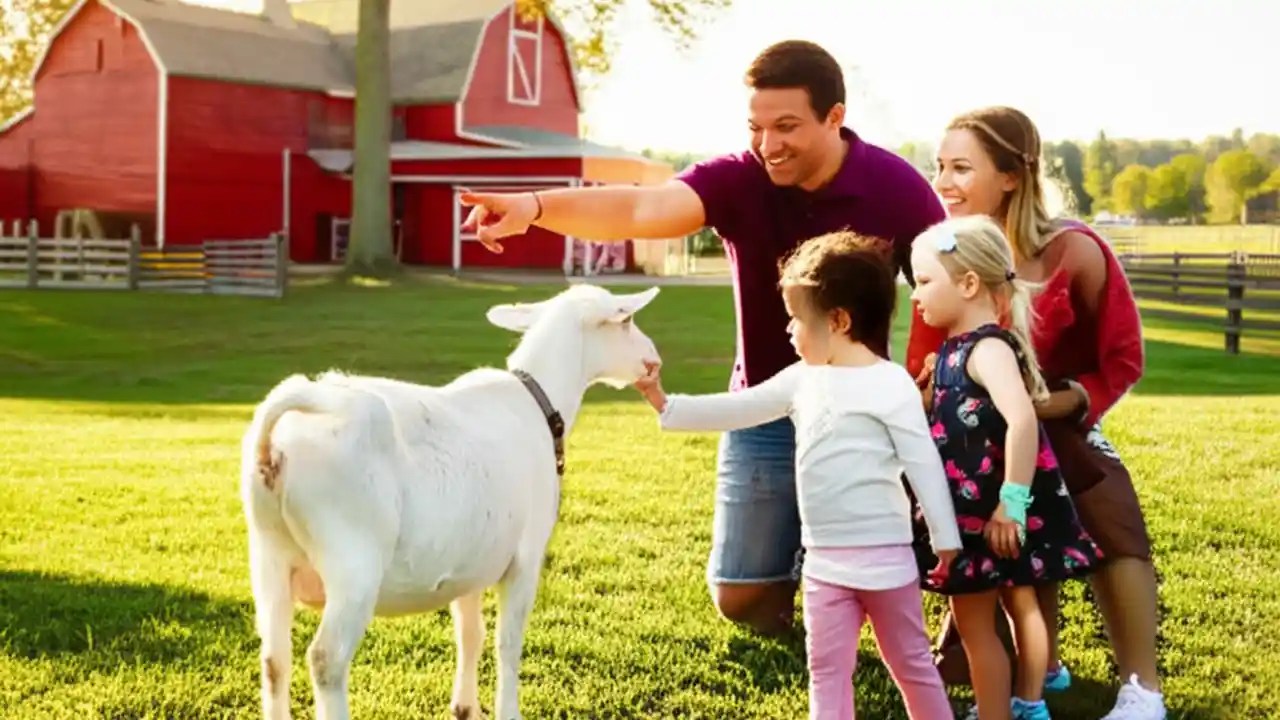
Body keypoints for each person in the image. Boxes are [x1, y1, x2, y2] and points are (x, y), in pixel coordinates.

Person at [460, 39, 946, 635]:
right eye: (756, 127)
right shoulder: (738, 180)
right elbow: (643, 210)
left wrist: (924, 363)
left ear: (835, 117)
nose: (768, 145)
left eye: (787, 126)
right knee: (741, 601)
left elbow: (940, 280)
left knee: (896, 569)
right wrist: (533, 207)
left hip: (861, 412)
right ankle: (802, 575)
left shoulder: (894, 185)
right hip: (761, 408)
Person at [633, 231, 961, 720]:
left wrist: (946, 539)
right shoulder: (801, 379)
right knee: (827, 673)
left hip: (888, 566)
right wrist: (664, 401)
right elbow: (739, 407)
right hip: (824, 568)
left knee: (911, 666)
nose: (788, 330)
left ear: (839, 320)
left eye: (796, 319)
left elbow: (923, 463)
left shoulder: (892, 384)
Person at [914, 106, 1165, 720]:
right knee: (984, 562)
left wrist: (1061, 401)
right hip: (973, 449)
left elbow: (1122, 358)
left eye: (961, 168)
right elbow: (924, 367)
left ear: (1012, 175)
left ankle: (1142, 689)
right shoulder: (944, 258)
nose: (943, 182)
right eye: (939, 166)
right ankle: (1040, 670)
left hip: (1061, 425)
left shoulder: (1073, 252)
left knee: (1111, 508)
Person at [909, 215, 1103, 720]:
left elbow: (1022, 421)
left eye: (925, 281)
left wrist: (1011, 503)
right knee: (1009, 609)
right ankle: (1021, 701)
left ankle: (1015, 706)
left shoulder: (987, 349)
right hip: (975, 509)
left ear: (969, 283)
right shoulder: (951, 352)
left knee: (1000, 615)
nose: (915, 295)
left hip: (998, 509)